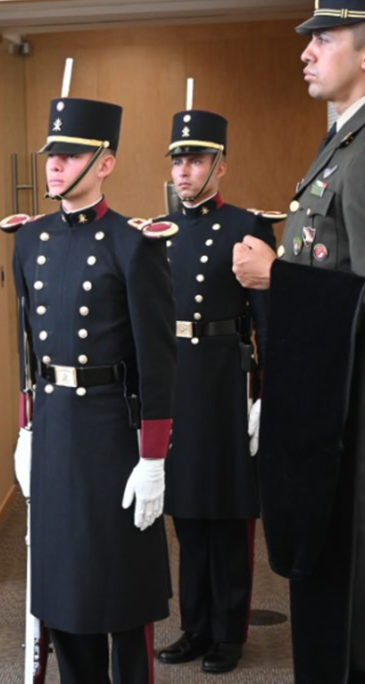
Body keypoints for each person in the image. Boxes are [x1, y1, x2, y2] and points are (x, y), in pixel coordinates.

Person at [233, 0, 365, 680]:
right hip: (335, 398)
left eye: (325, 36)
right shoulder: (347, 138)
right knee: (332, 593)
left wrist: (276, 276)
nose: (307, 49)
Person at [5, 95, 176, 683]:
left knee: (121, 592)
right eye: (51, 153)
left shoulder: (134, 242)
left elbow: (158, 360)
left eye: (70, 154)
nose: (54, 164)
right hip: (54, 428)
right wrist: (26, 428)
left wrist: (153, 456)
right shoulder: (30, 240)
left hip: (111, 433)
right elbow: (28, 350)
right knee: (64, 592)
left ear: (104, 163)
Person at [154, 109, 278, 673]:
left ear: (220, 166)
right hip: (179, 381)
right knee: (187, 511)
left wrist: (264, 395)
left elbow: (268, 320)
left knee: (229, 513)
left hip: (226, 381)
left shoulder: (247, 227)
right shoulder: (159, 232)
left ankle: (229, 632)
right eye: (178, 160)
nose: (184, 171)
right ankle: (194, 626)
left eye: (196, 159)